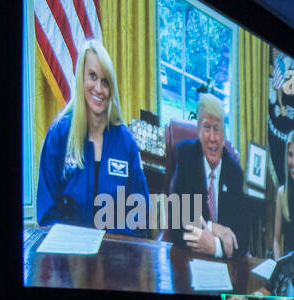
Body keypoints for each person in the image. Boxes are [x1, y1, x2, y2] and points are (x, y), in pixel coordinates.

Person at [35, 39, 150, 233]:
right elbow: (47, 213)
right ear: (81, 79)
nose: (98, 88)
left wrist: (109, 243)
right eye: (93, 76)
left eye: (105, 82)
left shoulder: (126, 143)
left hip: (115, 255)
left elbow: (141, 214)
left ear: (111, 89)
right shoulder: (59, 134)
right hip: (67, 256)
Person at [169, 92, 247, 258]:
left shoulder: (235, 173)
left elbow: (243, 237)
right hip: (188, 259)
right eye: (206, 127)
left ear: (224, 135)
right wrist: (213, 227)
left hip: (223, 265)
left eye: (217, 129)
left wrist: (216, 247)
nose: (212, 138)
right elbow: (176, 222)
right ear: (198, 131)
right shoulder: (185, 157)